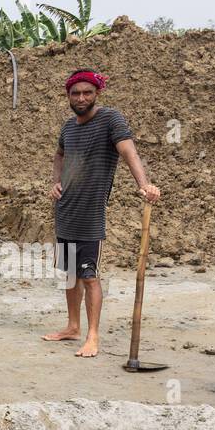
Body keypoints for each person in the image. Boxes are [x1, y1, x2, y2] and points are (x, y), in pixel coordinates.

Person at [43, 69, 161, 357]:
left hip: (89, 216)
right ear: (68, 96)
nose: (81, 97)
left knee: (89, 276)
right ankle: (72, 327)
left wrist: (144, 184)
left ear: (97, 93)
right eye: (76, 93)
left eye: (87, 92)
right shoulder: (68, 128)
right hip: (65, 212)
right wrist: (55, 181)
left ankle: (92, 335)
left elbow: (127, 151)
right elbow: (59, 155)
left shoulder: (111, 119)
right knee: (69, 275)